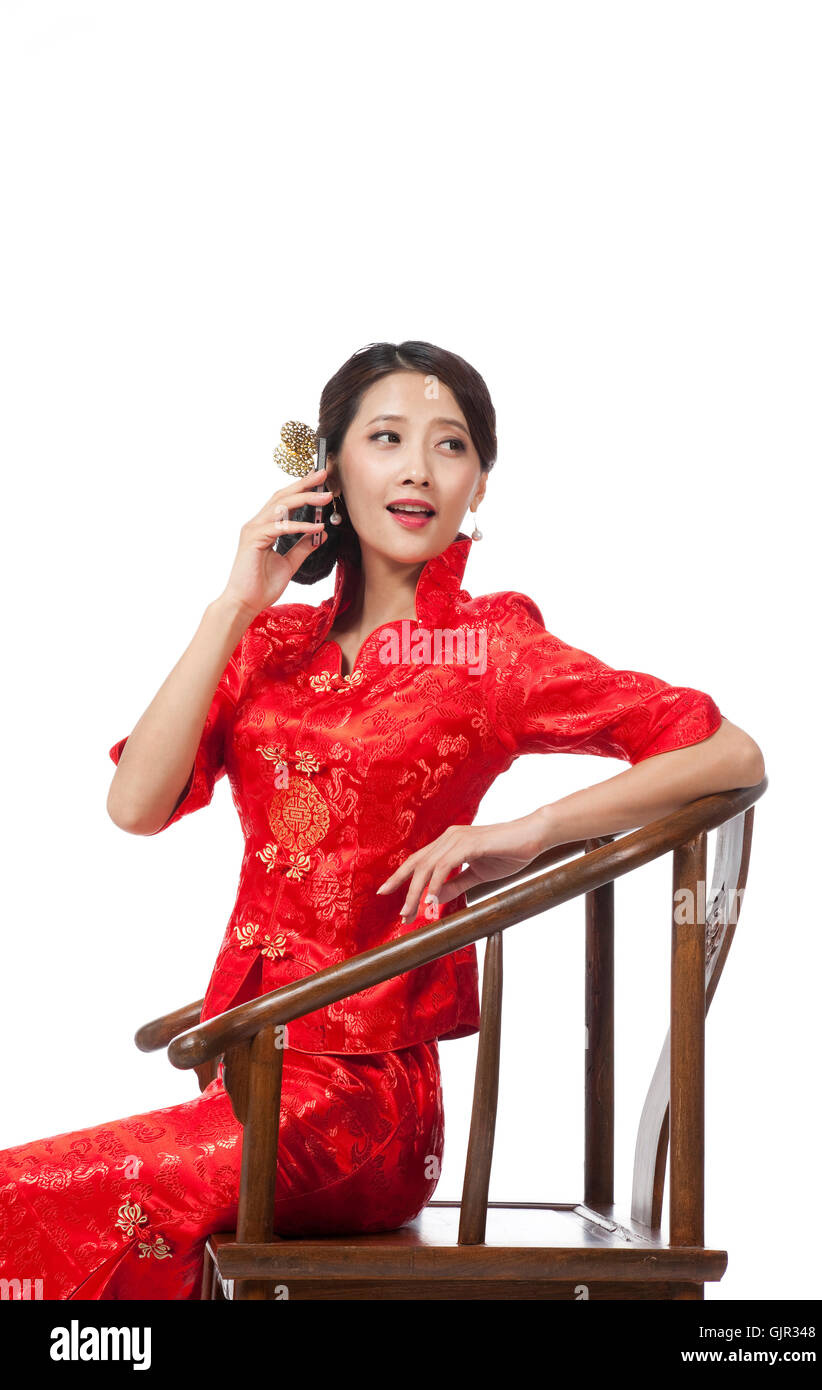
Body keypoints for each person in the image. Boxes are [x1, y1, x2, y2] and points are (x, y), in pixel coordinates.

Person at [0, 340, 764, 1300]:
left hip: (365, 1110)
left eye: (450, 446)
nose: (416, 468)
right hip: (252, 1076)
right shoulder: (270, 643)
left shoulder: (488, 648)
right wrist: (236, 603)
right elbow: (135, 806)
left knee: (14, 1194)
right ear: (330, 467)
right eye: (387, 438)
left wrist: (525, 831)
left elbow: (728, 755)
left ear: (479, 482)